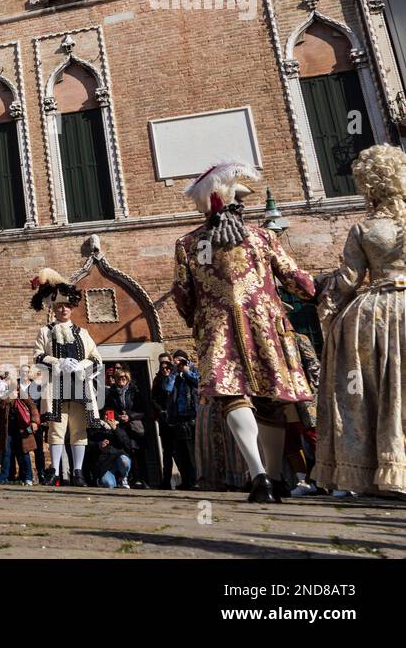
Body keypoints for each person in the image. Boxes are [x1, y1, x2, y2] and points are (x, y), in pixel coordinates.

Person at [173, 162, 317, 503]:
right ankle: (275, 476)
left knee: (234, 397)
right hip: (265, 326)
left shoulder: (189, 244)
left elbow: (182, 297)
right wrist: (320, 289)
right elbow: (296, 280)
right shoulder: (263, 237)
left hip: (216, 328)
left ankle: (259, 475)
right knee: (269, 400)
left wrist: (201, 316)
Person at [316, 145, 406, 498]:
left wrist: (324, 294)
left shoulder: (366, 228)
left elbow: (349, 279)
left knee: (364, 391)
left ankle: (371, 470)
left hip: (374, 314)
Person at [31, 269, 103, 487]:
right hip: (56, 385)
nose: (63, 309)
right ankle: (54, 470)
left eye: (66, 306)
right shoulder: (45, 332)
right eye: (59, 306)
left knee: (79, 429)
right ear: (53, 308)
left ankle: (78, 471)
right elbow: (37, 356)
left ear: (71, 308)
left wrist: (82, 365)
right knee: (56, 429)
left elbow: (97, 359)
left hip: (80, 385)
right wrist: (58, 362)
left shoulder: (83, 333)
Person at [152, 351, 199, 490]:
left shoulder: (193, 370)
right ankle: (186, 480)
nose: (178, 362)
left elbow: (198, 382)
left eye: (181, 360)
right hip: (178, 418)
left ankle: (195, 480)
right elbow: (167, 387)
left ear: (186, 360)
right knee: (181, 451)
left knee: (192, 451)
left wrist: (187, 371)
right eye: (176, 360)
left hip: (191, 416)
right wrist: (174, 372)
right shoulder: (174, 374)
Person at [0, 365, 39, 485]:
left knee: (24, 453)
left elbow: (32, 406)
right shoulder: (2, 392)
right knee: (7, 453)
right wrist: (9, 397)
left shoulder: (21, 392)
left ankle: (28, 477)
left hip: (22, 428)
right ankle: (4, 477)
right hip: (8, 428)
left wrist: (34, 421)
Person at [107, 365, 147, 488]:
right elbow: (109, 409)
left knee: (137, 453)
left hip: (133, 427)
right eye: (118, 378)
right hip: (119, 427)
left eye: (124, 378)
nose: (121, 380)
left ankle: (141, 479)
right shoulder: (111, 393)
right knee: (123, 452)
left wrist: (129, 416)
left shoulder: (135, 392)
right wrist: (116, 418)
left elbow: (143, 410)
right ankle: (125, 479)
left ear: (128, 379)